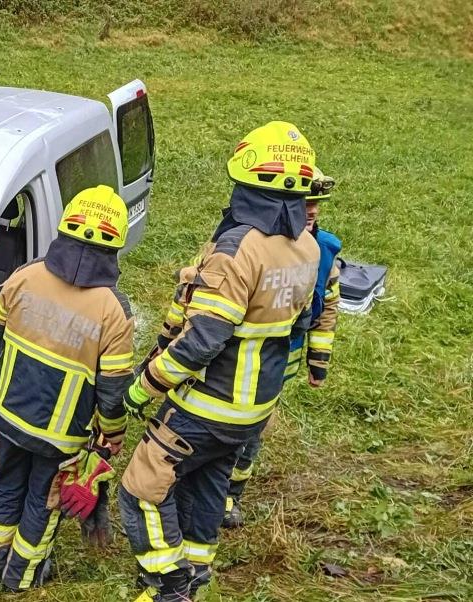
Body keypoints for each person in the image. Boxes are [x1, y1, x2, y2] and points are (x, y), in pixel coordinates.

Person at [118, 121, 321, 601]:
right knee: (206, 484)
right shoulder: (307, 247)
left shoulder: (237, 249)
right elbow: (298, 323)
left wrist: (142, 387)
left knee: (141, 491)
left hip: (210, 405)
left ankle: (169, 586)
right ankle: (198, 578)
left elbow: (203, 339)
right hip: (255, 408)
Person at [0, 185, 136, 592]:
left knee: (5, 488)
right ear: (116, 243)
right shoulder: (114, 310)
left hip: (8, 417)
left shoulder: (24, 276)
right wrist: (112, 436)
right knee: (41, 504)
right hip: (61, 439)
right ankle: (19, 579)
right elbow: (113, 391)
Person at [223, 167, 342, 528]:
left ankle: (231, 495)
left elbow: (328, 307)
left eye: (317, 204)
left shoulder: (323, 252)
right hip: (233, 359)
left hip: (278, 362)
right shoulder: (249, 244)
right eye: (306, 203)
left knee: (253, 431)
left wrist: (317, 361)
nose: (312, 211)